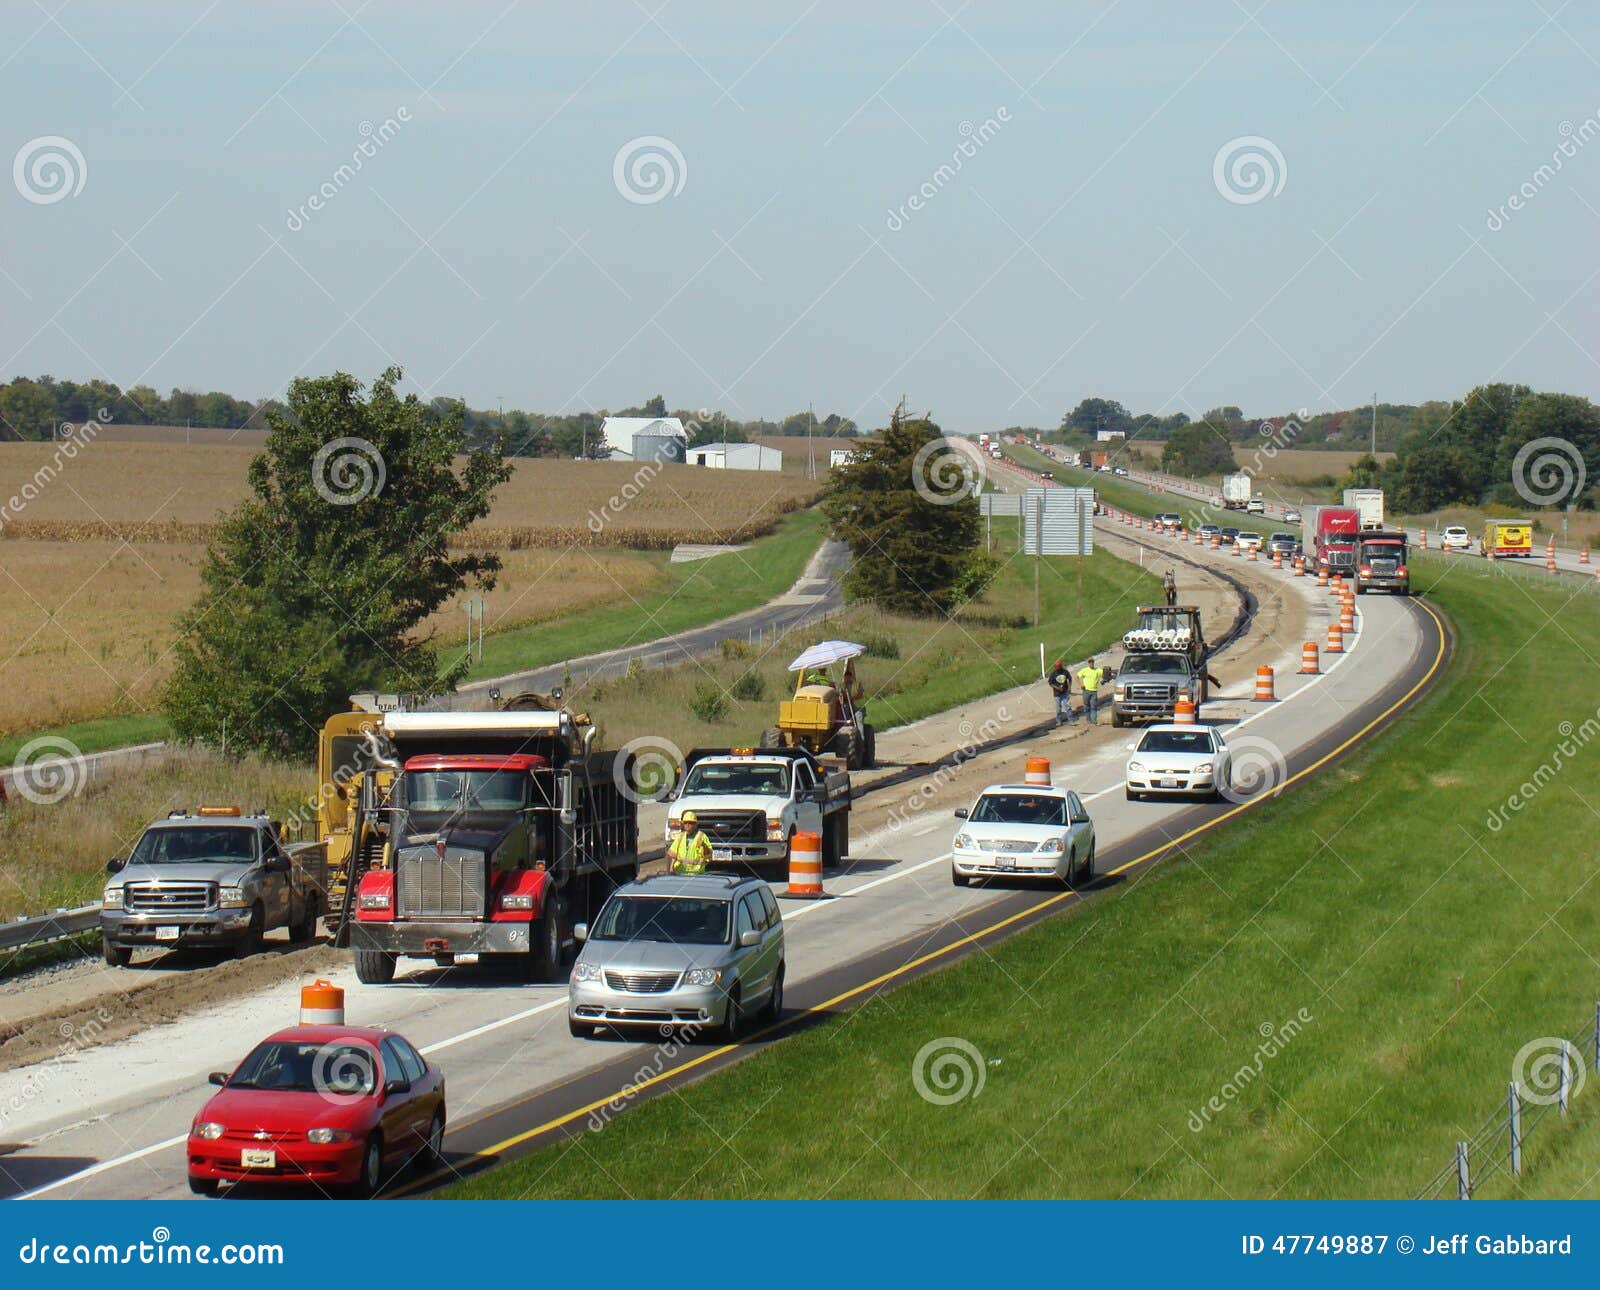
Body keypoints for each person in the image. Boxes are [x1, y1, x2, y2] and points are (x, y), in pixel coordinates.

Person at [1077, 656, 1105, 724]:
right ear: (1088, 663)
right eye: (1090, 662)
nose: (1091, 663)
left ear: (1094, 663)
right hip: (1086, 691)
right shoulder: (1084, 670)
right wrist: (1080, 685)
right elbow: (1077, 677)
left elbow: (1105, 674)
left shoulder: (1097, 670)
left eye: (1092, 662)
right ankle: (1088, 719)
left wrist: (1104, 680)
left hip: (1094, 691)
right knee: (1086, 706)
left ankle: (1094, 720)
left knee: (1093, 706)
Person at [1047, 659, 1073, 725]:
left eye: (1058, 666)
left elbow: (1069, 679)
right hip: (1057, 694)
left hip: (1065, 692)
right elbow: (1050, 683)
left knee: (1067, 706)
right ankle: (1059, 721)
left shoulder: (1065, 672)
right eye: (1056, 667)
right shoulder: (1053, 674)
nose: (1057, 668)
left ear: (1061, 666)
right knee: (1058, 708)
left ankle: (1071, 720)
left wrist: (1069, 688)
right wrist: (1057, 688)